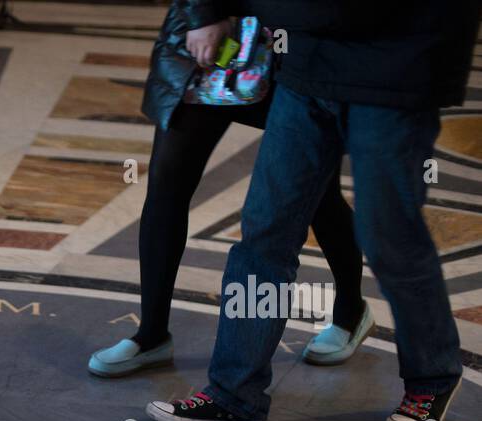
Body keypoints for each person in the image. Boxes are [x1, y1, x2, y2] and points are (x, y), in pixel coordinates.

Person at [147, 0, 481, 421]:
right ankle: (234, 394)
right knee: (265, 231)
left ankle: (431, 377)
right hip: (305, 73)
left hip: (394, 79)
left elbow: (350, 12)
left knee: (389, 235)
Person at [89, 1, 368, 379]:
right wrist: (203, 15)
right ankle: (151, 335)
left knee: (318, 196)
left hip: (293, 45)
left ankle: (351, 312)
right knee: (166, 189)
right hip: (206, 45)